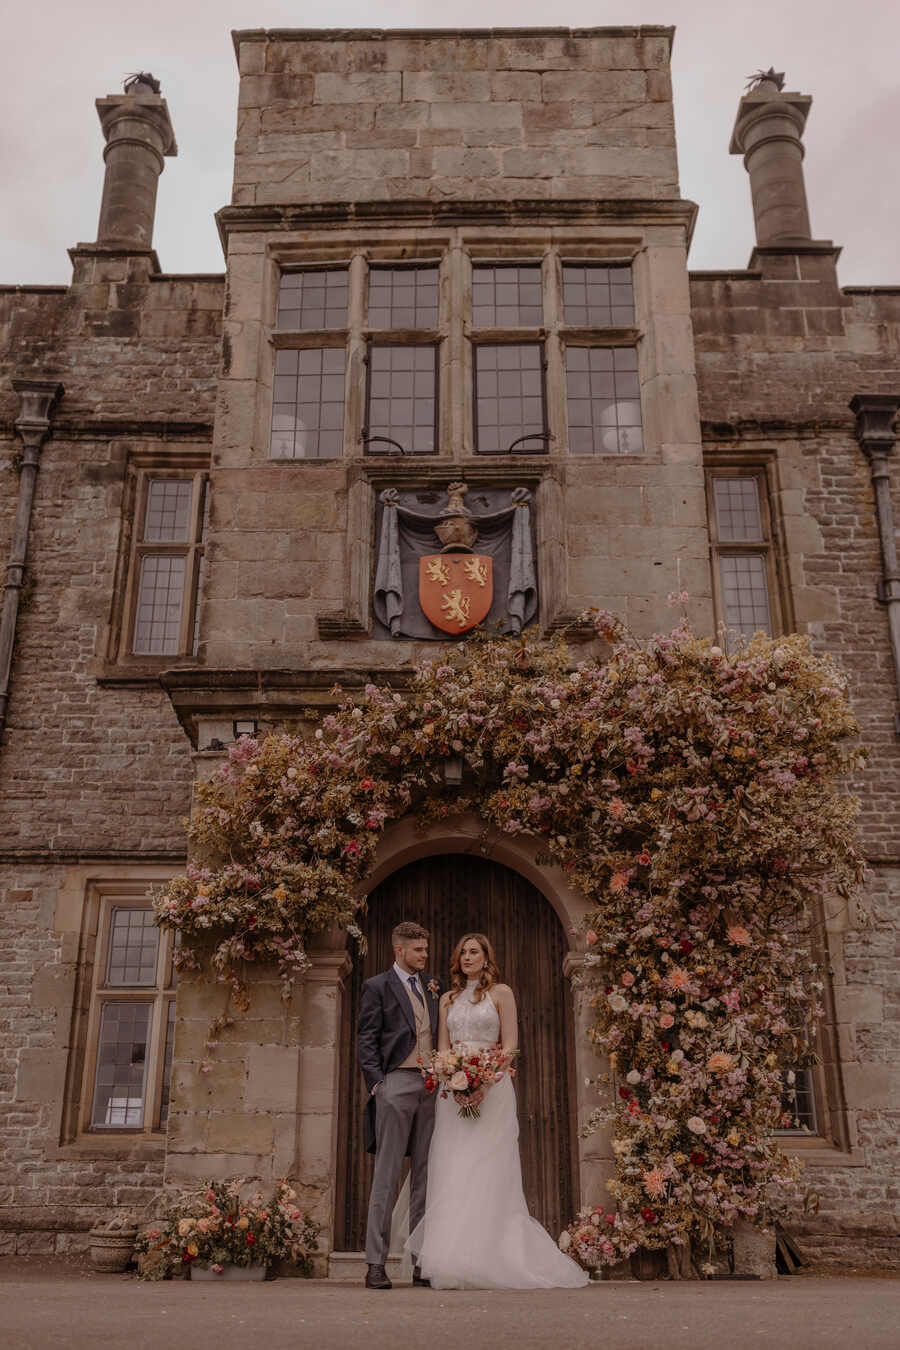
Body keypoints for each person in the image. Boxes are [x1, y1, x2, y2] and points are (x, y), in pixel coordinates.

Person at [407, 932, 589, 1290]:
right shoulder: (447, 998)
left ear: (487, 958)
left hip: (495, 1087)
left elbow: (510, 1045)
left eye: (474, 952)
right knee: (454, 1168)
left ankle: (494, 1255)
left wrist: (485, 1082)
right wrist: (453, 1080)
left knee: (490, 1167)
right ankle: (452, 1259)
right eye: (462, 953)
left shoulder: (501, 994)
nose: (467, 958)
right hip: (453, 1093)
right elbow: (443, 1049)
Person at [357, 920, 442, 1290]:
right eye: (418, 949)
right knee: (386, 1176)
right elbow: (367, 1038)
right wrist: (379, 1085)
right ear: (399, 950)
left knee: (425, 1177)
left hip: (432, 1086)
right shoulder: (377, 986)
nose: (424, 954)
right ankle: (375, 1263)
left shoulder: (433, 987)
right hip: (396, 1082)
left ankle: (420, 1262)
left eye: (425, 948)